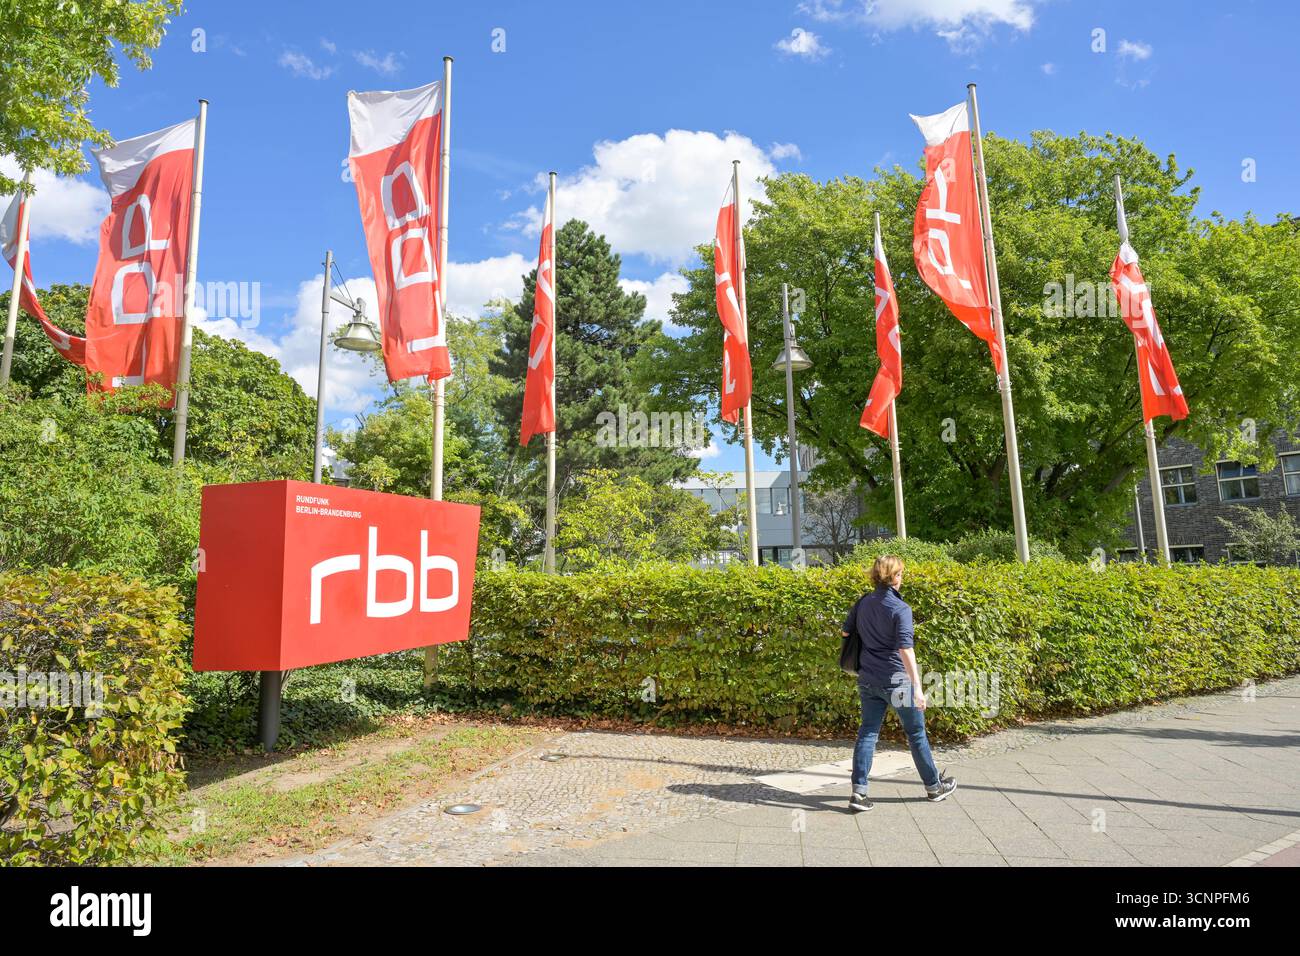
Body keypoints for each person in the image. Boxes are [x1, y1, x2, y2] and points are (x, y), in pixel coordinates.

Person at [842, 555, 956, 812]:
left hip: (868, 679)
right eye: (900, 574)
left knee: (868, 732)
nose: (902, 578)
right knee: (915, 733)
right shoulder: (900, 609)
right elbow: (905, 649)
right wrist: (918, 688)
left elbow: (845, 632)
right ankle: (934, 788)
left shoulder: (862, 603)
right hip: (897, 681)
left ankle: (859, 793)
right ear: (892, 577)